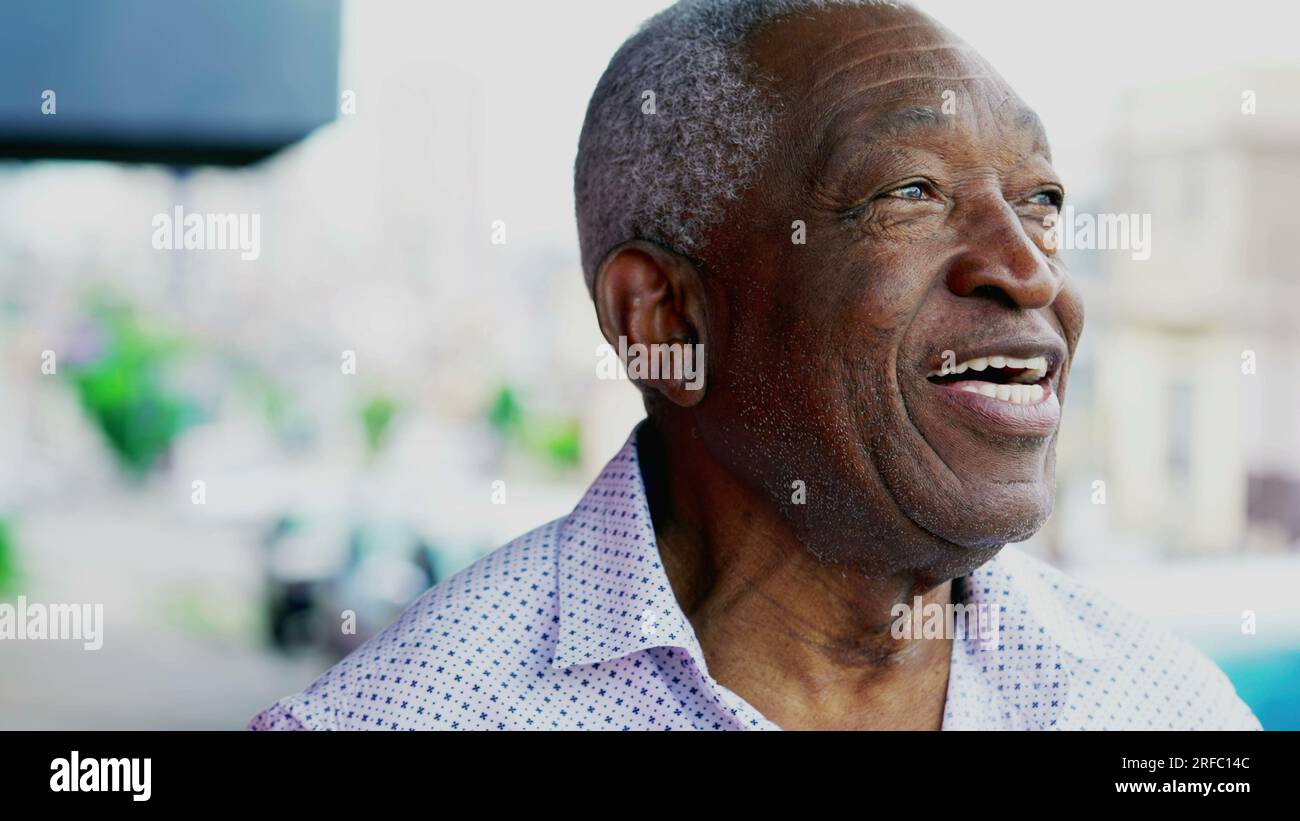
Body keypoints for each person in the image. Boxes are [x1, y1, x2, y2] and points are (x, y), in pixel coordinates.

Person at [250, 0, 1259, 730]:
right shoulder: (409, 716)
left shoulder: (1165, 709)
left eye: (1040, 202)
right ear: (665, 318)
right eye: (908, 192)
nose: (1030, 271)